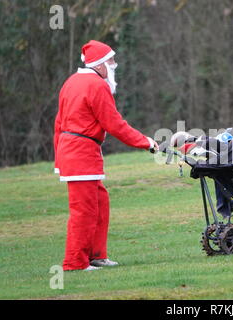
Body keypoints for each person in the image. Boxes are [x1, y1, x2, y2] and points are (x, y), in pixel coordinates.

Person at [54, 40, 159, 271]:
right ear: (100, 65)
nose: (114, 64)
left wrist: (58, 160)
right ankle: (75, 262)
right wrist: (146, 142)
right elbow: (114, 124)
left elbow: (59, 123)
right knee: (84, 212)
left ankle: (96, 255)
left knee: (100, 203)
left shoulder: (71, 82)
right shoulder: (96, 85)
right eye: (111, 61)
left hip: (75, 152)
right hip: (81, 154)